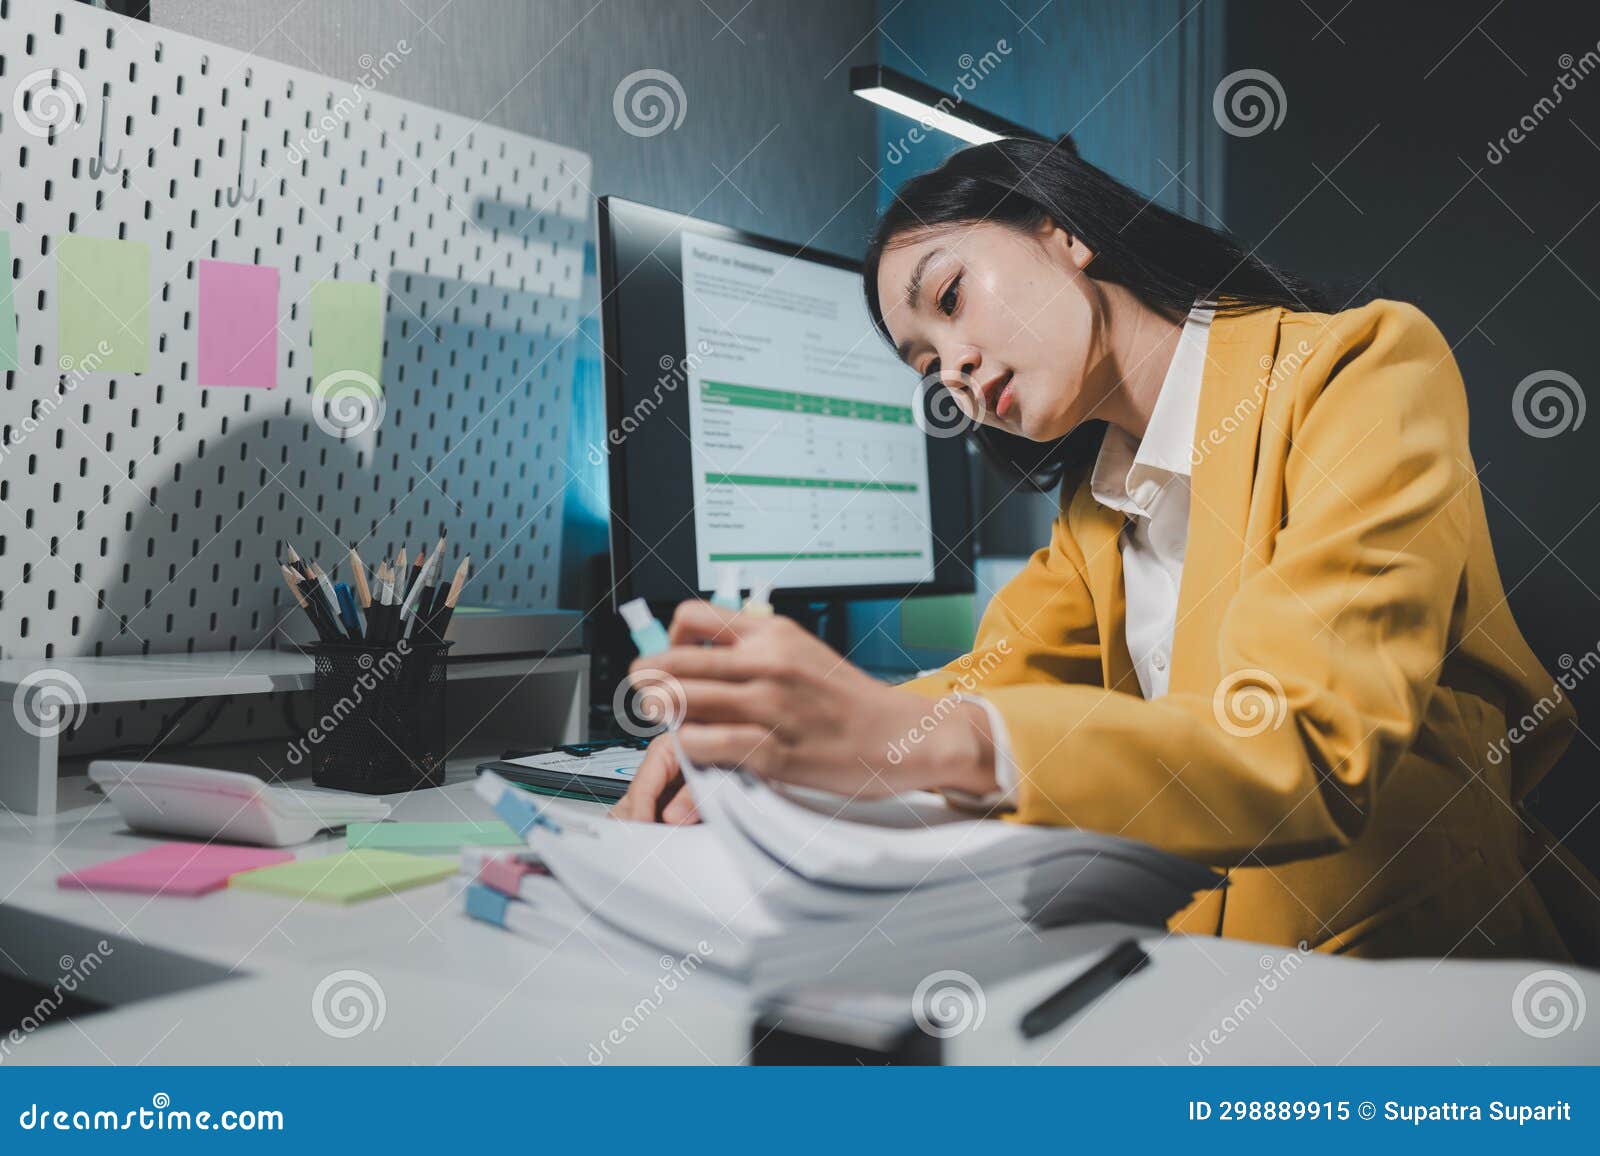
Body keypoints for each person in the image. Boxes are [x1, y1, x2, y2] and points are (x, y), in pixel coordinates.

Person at [611, 136, 1596, 963]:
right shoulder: (1098, 506)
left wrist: (923, 743)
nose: (948, 367)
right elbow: (983, 681)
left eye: (948, 298)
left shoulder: (1360, 369)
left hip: (1386, 983)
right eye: (922, 362)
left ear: (1063, 231)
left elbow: (1305, 742)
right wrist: (768, 743)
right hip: (1194, 968)